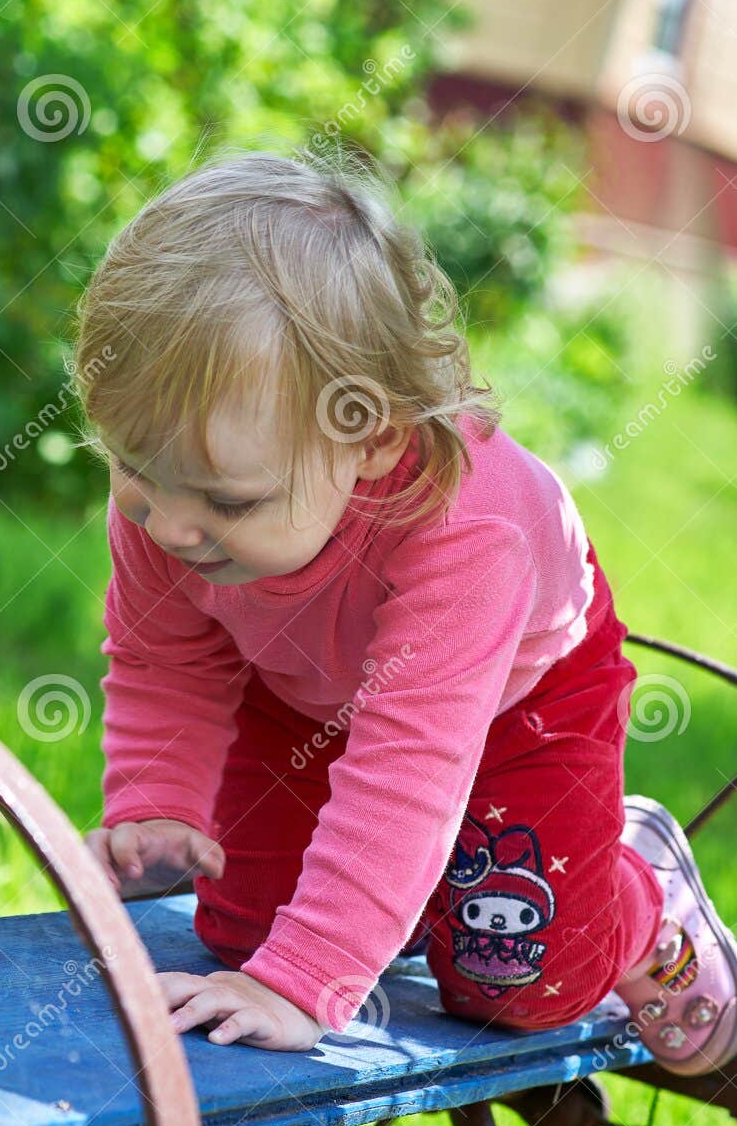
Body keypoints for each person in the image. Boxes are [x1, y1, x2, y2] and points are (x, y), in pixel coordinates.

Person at [75, 145, 737, 1076]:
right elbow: (165, 659)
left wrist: (305, 982)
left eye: (228, 503)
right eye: (137, 475)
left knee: (518, 977)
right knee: (241, 933)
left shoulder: (471, 535)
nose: (171, 525)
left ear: (374, 441)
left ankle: (636, 893)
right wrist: (157, 800)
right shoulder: (172, 496)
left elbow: (407, 763)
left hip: (516, 703)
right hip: (299, 689)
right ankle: (417, 890)